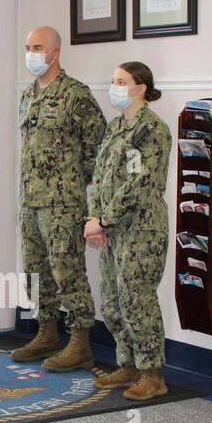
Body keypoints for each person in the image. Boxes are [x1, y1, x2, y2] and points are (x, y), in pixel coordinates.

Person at [13, 25, 105, 371]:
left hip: (63, 204)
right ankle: (47, 333)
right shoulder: (28, 95)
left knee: (68, 271)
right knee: (36, 271)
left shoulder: (75, 96)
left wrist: (72, 186)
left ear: (55, 52)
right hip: (30, 202)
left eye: (37, 46)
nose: (31, 53)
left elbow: (97, 149)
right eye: (27, 46)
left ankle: (80, 342)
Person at [83, 62, 172, 401]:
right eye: (113, 80)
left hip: (140, 231)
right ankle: (129, 364)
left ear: (141, 88)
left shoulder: (151, 129)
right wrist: (97, 221)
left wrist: (104, 221)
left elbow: (139, 184)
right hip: (112, 230)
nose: (114, 87)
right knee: (112, 300)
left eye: (121, 81)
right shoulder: (116, 126)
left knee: (138, 301)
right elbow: (102, 177)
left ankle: (152, 373)